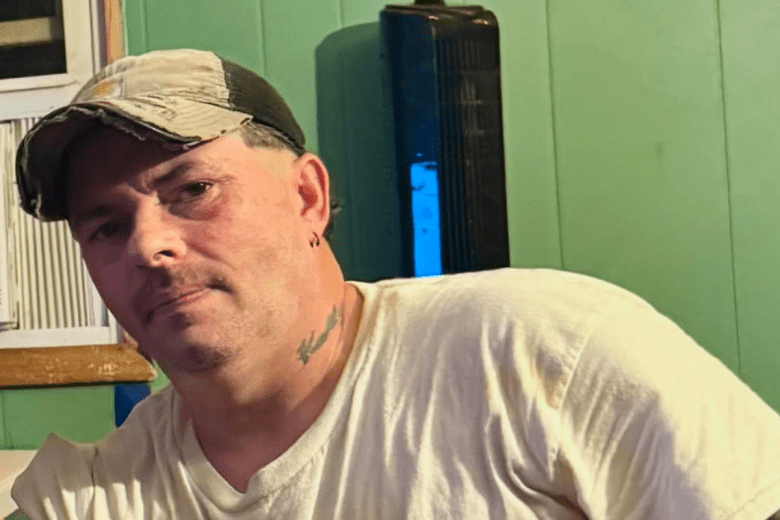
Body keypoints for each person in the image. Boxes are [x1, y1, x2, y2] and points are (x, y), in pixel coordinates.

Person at [9, 48, 780, 520]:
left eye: (193, 189)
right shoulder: (93, 495)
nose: (149, 245)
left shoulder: (542, 350)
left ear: (307, 197)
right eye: (105, 226)